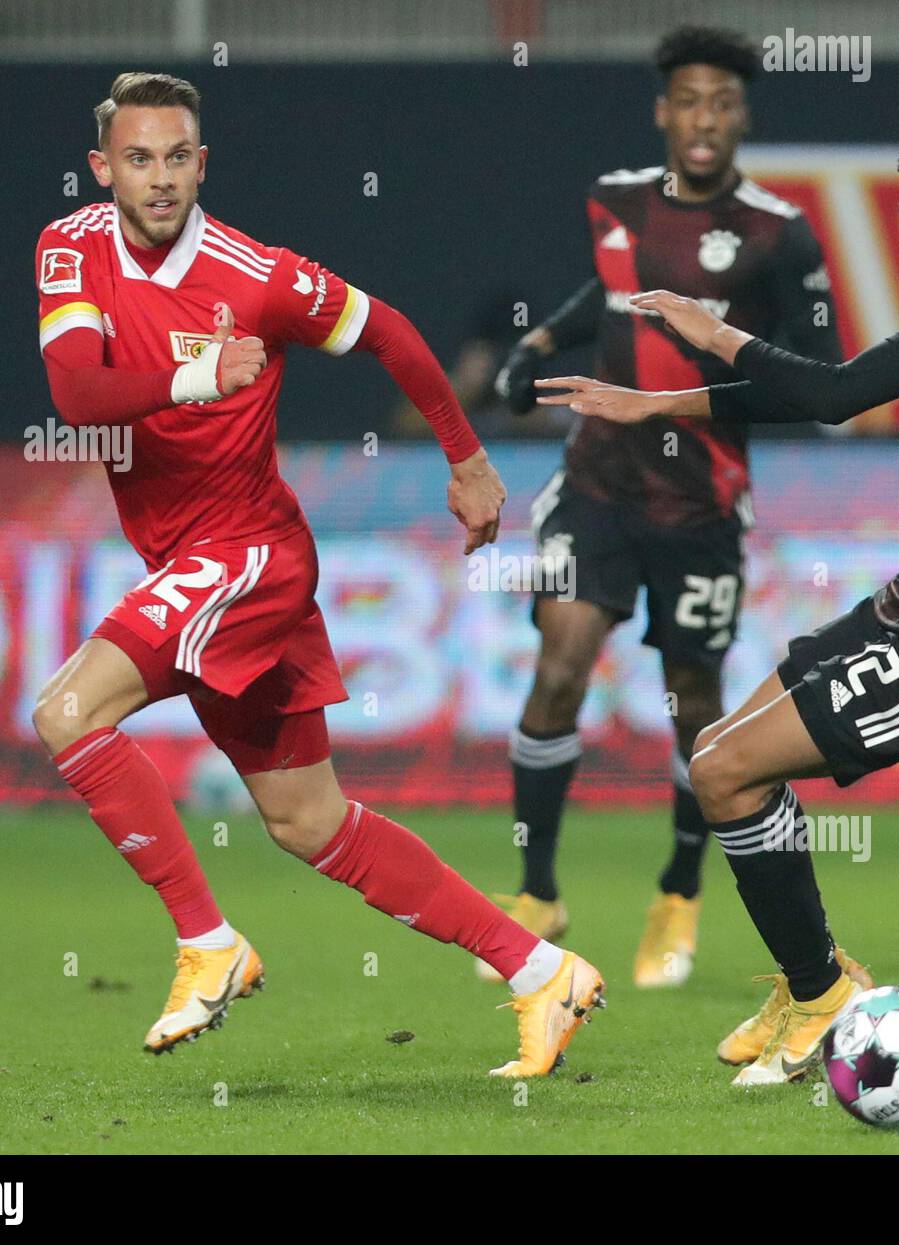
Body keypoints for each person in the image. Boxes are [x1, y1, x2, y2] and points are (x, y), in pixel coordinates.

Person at [32, 72, 604, 1078]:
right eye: (137, 158)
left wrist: (466, 459)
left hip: (243, 557)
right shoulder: (69, 248)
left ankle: (208, 944)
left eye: (177, 158)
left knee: (68, 713)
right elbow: (78, 394)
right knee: (309, 823)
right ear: (102, 169)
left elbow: (386, 331)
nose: (159, 179)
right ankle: (540, 972)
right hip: (201, 561)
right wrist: (197, 377)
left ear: (201, 164)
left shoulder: (258, 275)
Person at [537, 120, 899, 1085]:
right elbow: (815, 395)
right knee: (719, 760)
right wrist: (659, 405)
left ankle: (824, 993)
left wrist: (714, 335)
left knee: (726, 774)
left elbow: (833, 394)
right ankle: (812, 982)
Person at [491, 26, 845, 988]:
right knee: (559, 664)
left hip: (701, 506)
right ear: (664, 110)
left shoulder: (781, 232)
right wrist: (542, 345)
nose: (704, 119)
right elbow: (607, 291)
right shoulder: (617, 197)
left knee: (696, 708)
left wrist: (736, 379)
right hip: (597, 484)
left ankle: (680, 892)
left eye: (722, 103)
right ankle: (537, 892)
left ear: (742, 116)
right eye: (689, 100)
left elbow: (823, 375)